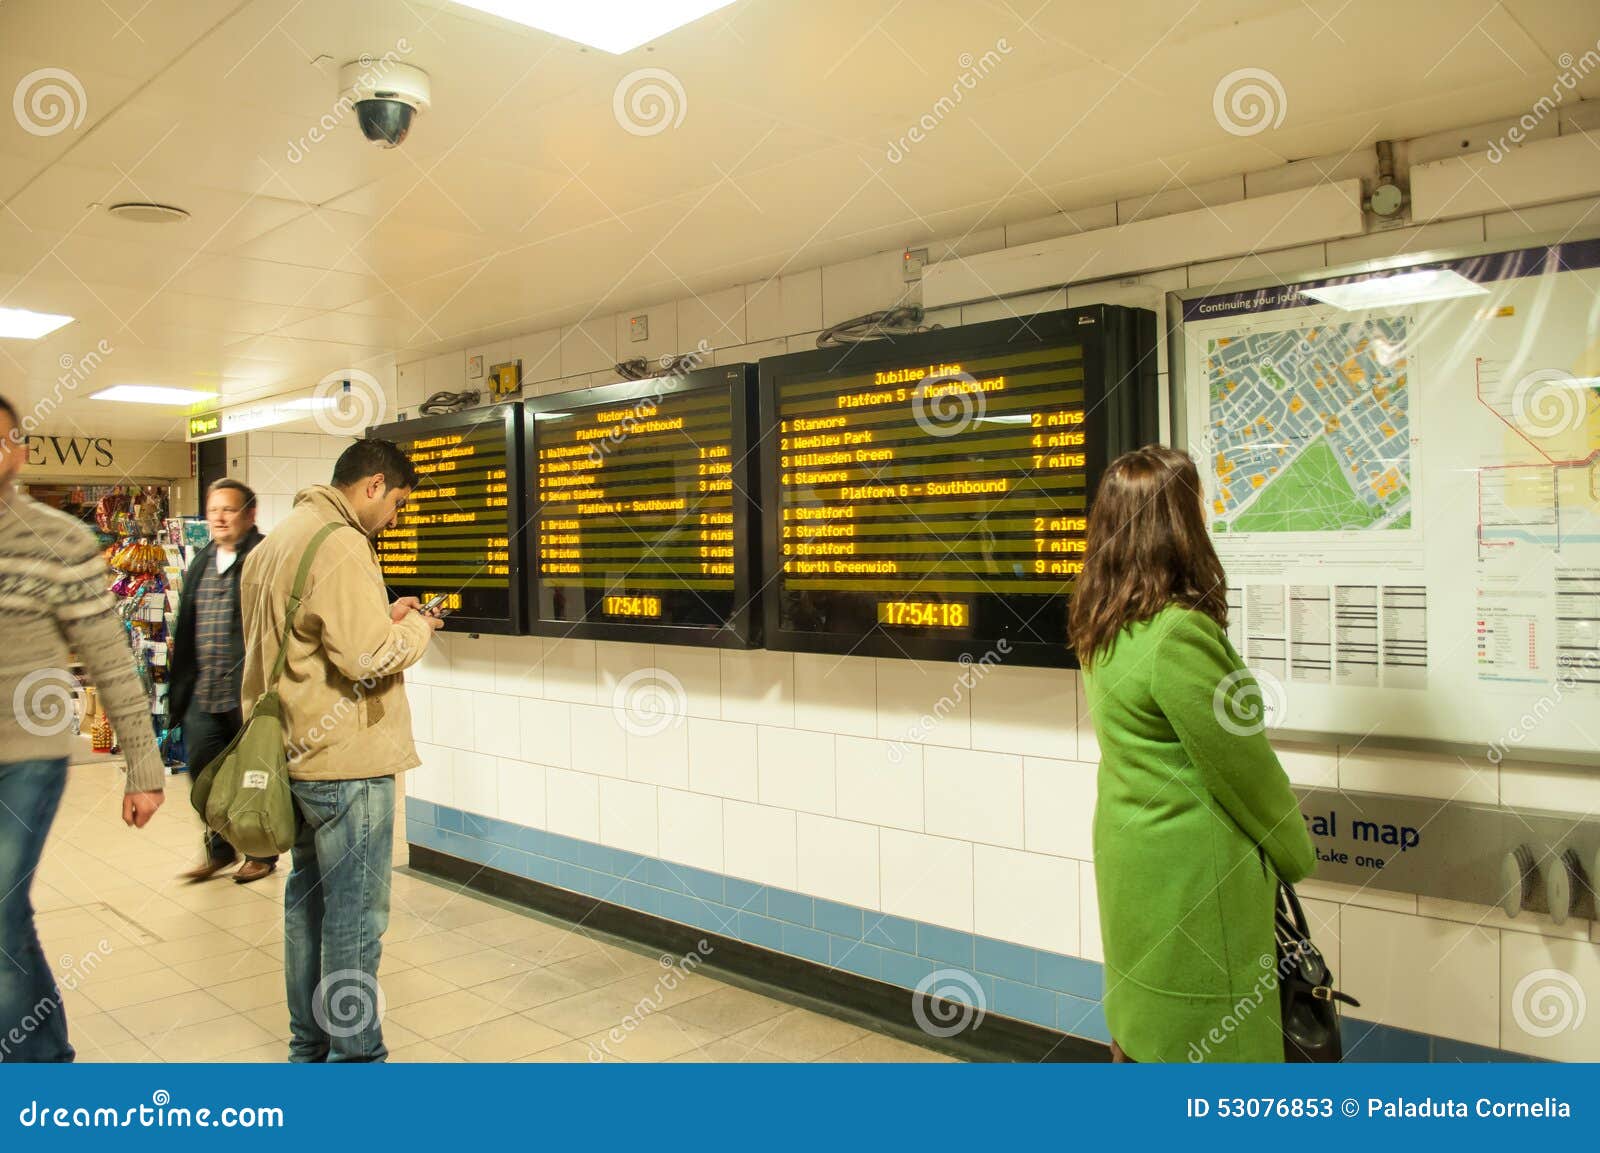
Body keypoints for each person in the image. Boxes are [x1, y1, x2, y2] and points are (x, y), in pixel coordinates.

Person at [1068, 444, 1314, 1063]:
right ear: (1178, 524)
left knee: (1146, 1030)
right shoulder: (1179, 635)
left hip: (1135, 864)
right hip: (1194, 882)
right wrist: (1296, 855)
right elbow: (1244, 772)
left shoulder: (1103, 625)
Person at [239, 439, 442, 1062]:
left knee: (307, 907)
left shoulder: (277, 542)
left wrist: (381, 614)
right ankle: (356, 1059)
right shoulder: (345, 542)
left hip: (293, 757)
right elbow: (367, 658)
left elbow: (305, 641)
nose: (397, 517)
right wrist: (415, 627)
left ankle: (311, 1046)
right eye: (399, 502)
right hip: (347, 763)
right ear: (374, 485)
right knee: (355, 919)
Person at [0, 394, 165, 1062]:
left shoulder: (60, 539)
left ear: (19, 449)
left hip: (27, 754)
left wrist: (144, 768)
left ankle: (41, 1071)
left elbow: (110, 657)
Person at [171, 478, 278, 883]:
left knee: (252, 776)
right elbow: (186, 628)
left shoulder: (264, 556)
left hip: (245, 694)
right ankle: (219, 849)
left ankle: (260, 853)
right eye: (213, 509)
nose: (218, 517)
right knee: (203, 773)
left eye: (228, 509)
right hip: (203, 691)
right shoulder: (201, 561)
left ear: (250, 515)